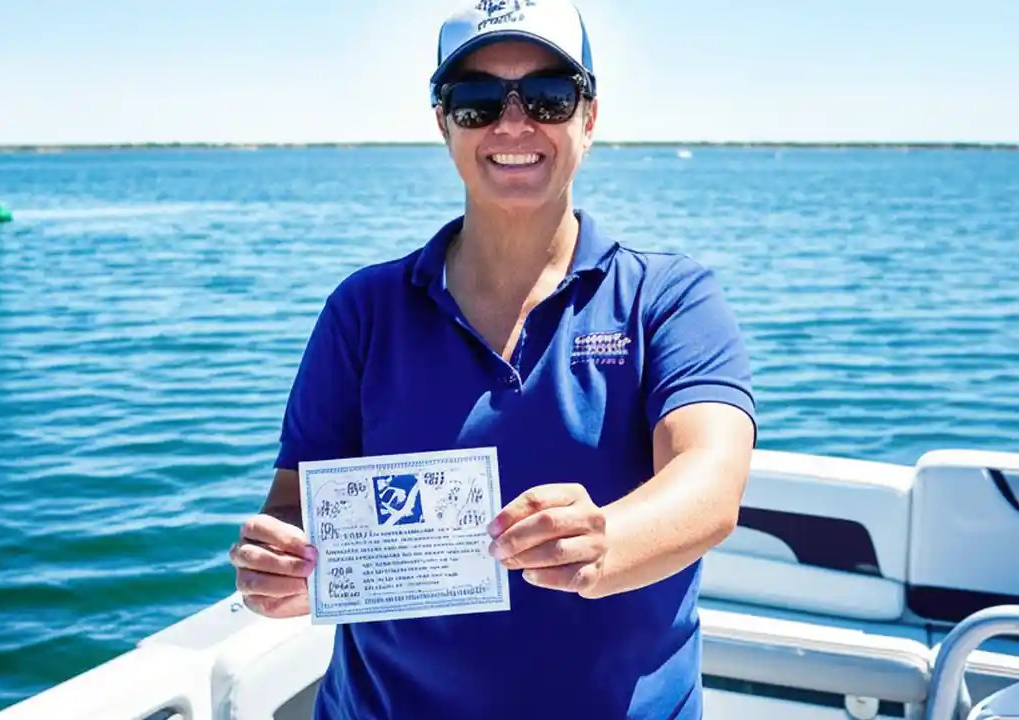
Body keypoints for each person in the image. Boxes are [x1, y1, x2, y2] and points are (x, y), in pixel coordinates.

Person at [228, 0, 756, 717]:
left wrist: (609, 539)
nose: (513, 124)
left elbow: (709, 483)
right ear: (443, 124)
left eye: (547, 96)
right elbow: (294, 507)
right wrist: (280, 571)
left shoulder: (667, 296)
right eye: (477, 101)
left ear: (588, 119)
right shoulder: (364, 310)